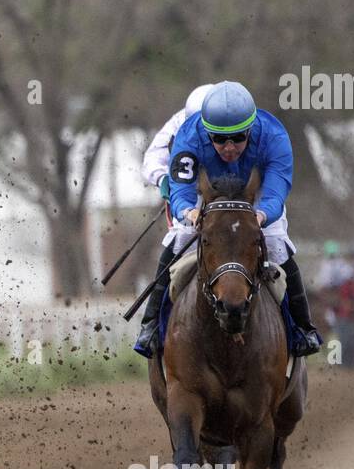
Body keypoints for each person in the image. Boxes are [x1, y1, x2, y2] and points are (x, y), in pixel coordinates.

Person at [133, 80, 324, 359]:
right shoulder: (188, 135)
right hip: (207, 196)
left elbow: (276, 189)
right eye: (219, 139)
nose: (229, 147)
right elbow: (181, 191)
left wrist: (262, 214)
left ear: (251, 128)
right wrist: (188, 211)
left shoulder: (274, 136)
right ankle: (151, 326)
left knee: (277, 243)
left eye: (238, 138)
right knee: (179, 239)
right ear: (206, 131)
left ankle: (303, 328)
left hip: (257, 197)